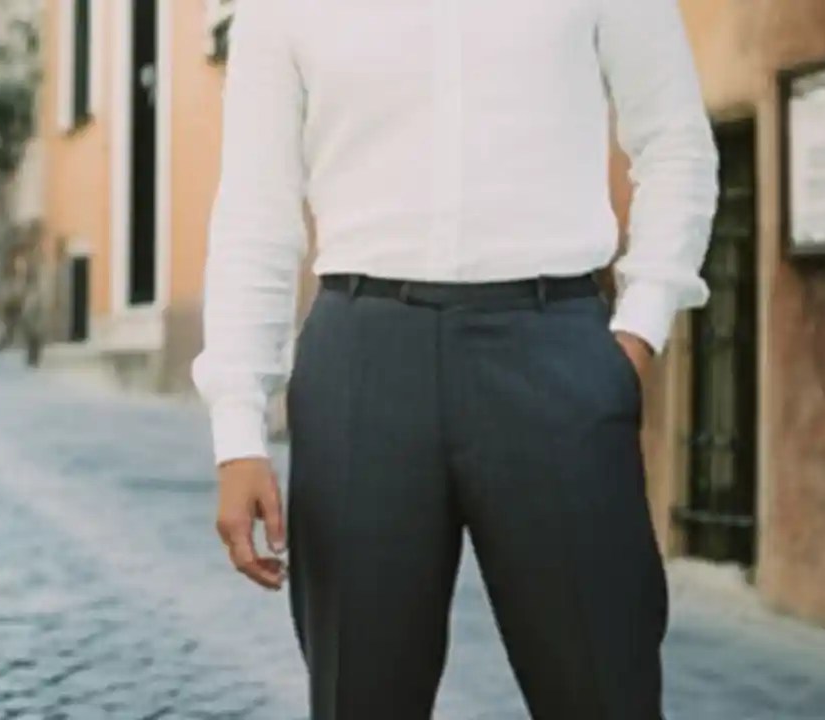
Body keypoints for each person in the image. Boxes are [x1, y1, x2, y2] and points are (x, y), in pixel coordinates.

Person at [193, 0, 717, 717]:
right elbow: (256, 205)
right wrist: (237, 428)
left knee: (605, 690)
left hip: (553, 347)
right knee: (362, 696)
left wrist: (639, 329)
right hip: (362, 359)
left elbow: (676, 143)